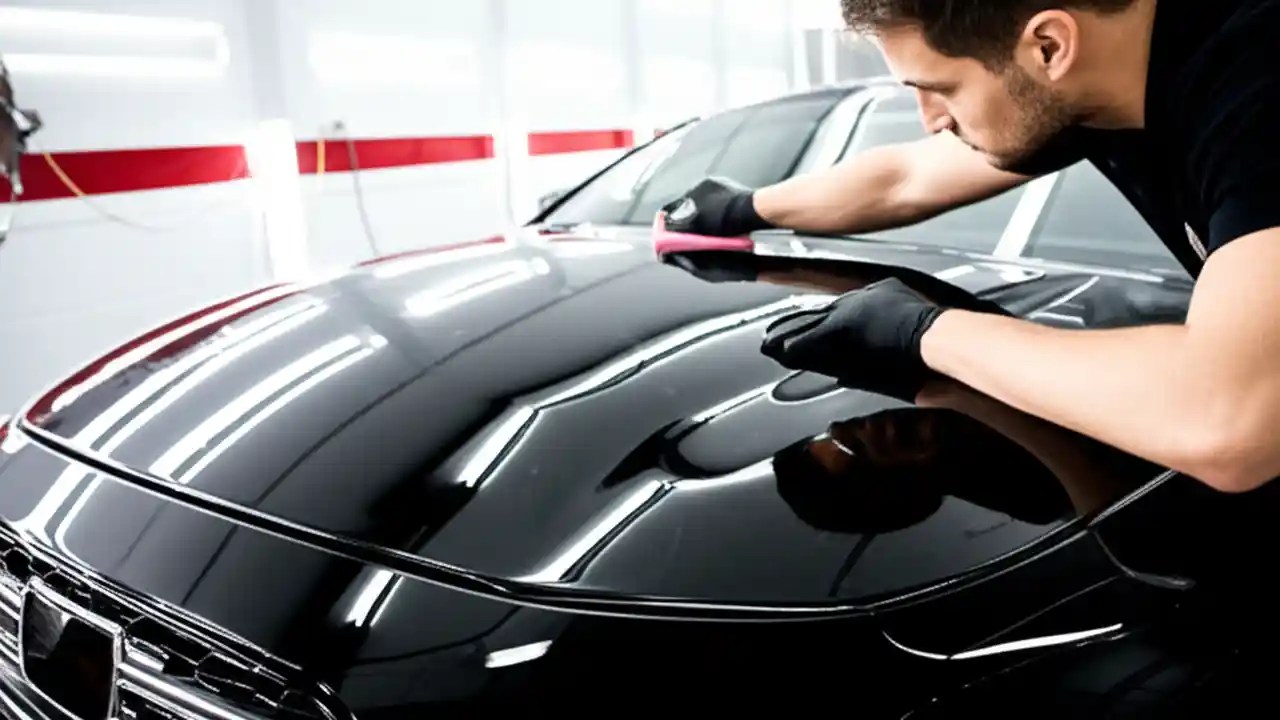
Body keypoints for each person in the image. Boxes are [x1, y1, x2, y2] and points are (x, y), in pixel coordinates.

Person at [661, 0, 1280, 494]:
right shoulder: (1100, 84)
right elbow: (906, 179)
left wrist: (925, 332)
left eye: (942, 88)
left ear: (1048, 46)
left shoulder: (1259, 89)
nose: (930, 117)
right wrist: (745, 207)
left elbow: (1230, 424)